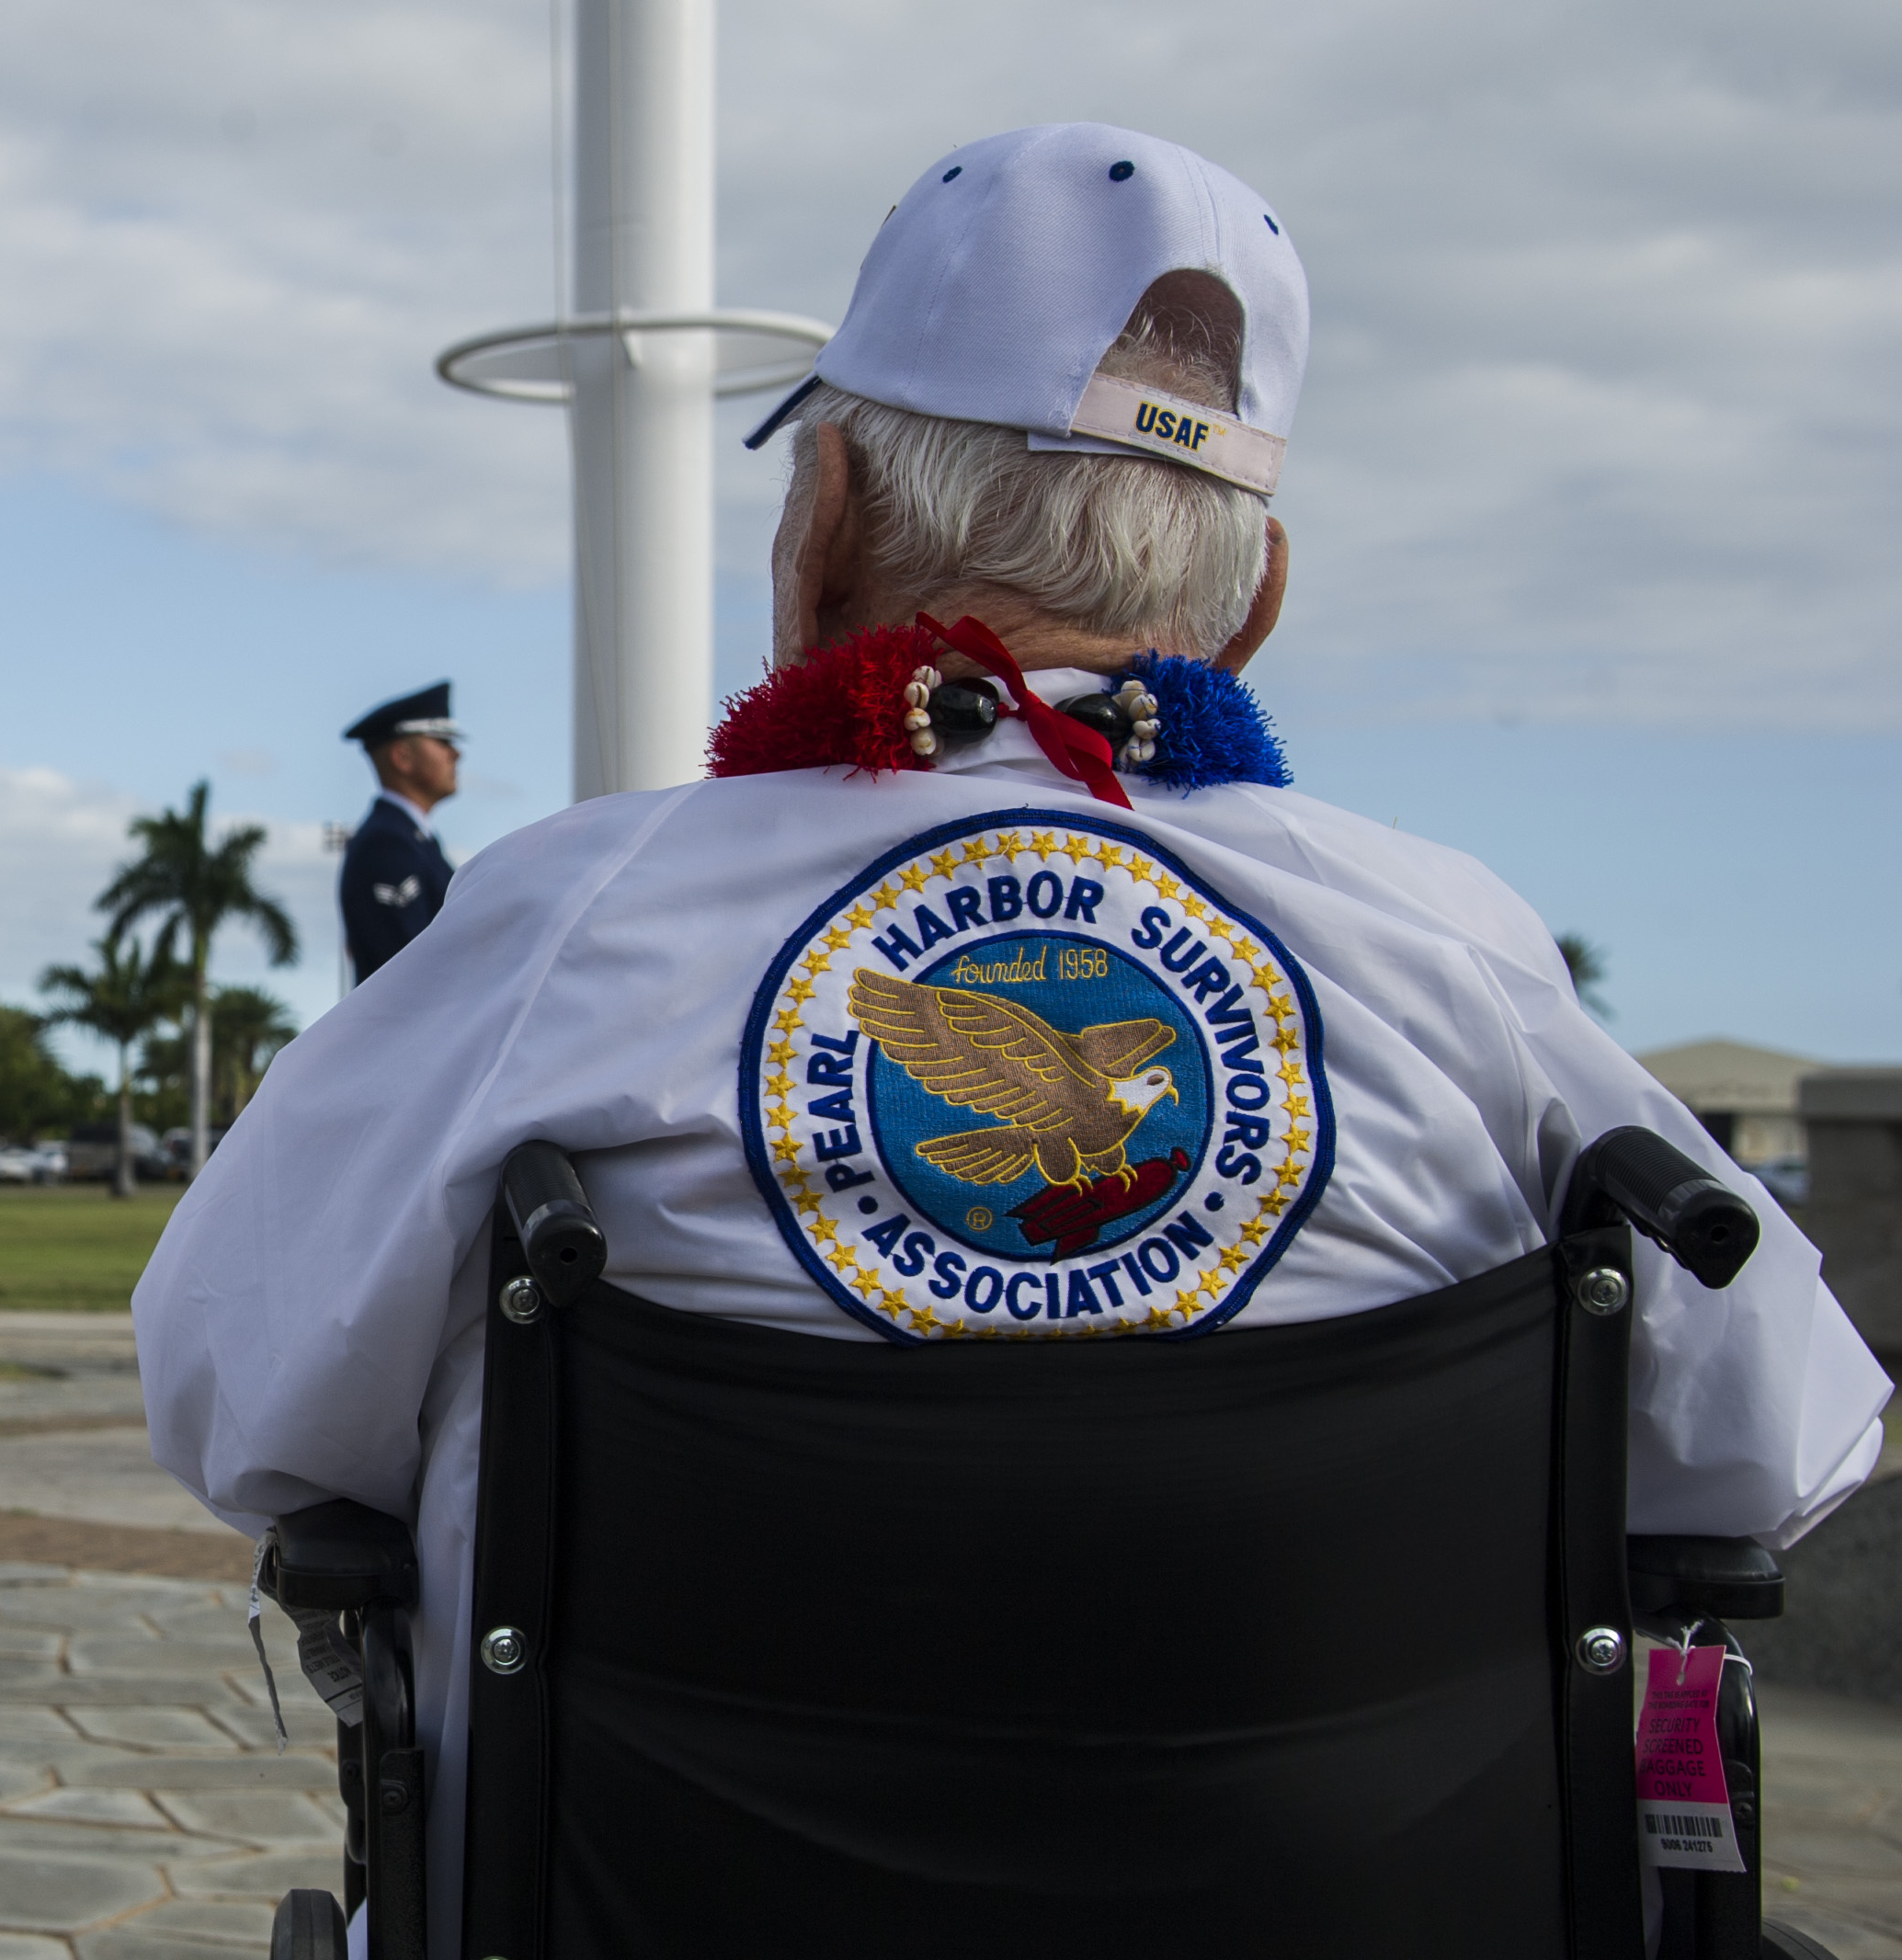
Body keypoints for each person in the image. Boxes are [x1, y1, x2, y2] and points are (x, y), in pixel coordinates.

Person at [136, 123, 1888, 1948]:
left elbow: (231, 1396)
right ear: (1255, 598)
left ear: (821, 518)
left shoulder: (563, 925)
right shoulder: (1446, 956)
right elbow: (1767, 1446)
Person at [337, 682, 461, 985]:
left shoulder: (414, 840)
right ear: (402, 757)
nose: (455, 754)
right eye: (442, 741)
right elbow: (412, 965)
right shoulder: (386, 844)